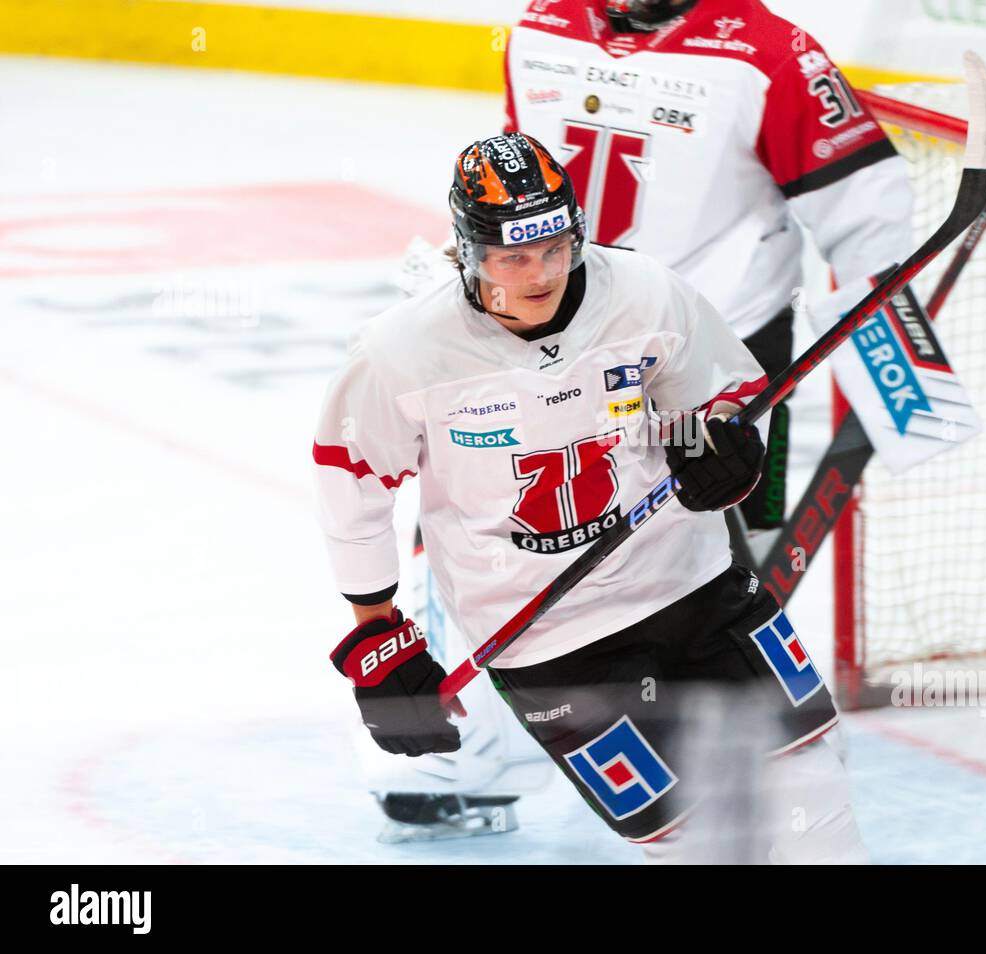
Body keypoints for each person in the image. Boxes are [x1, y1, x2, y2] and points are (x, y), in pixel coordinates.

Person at [314, 133, 867, 862]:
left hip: (693, 585)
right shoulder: (403, 352)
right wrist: (378, 637)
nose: (540, 273)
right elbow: (352, 486)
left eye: (554, 248)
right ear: (469, 255)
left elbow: (720, 398)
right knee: (693, 841)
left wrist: (721, 448)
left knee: (810, 788)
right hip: (547, 642)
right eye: (514, 257)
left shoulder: (643, 293)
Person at [504, 0, 914, 548]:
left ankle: (757, 565)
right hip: (573, 343)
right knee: (567, 544)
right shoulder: (541, 26)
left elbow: (865, 208)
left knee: (738, 554)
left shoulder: (772, 55)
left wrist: (889, 356)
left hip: (724, 353)